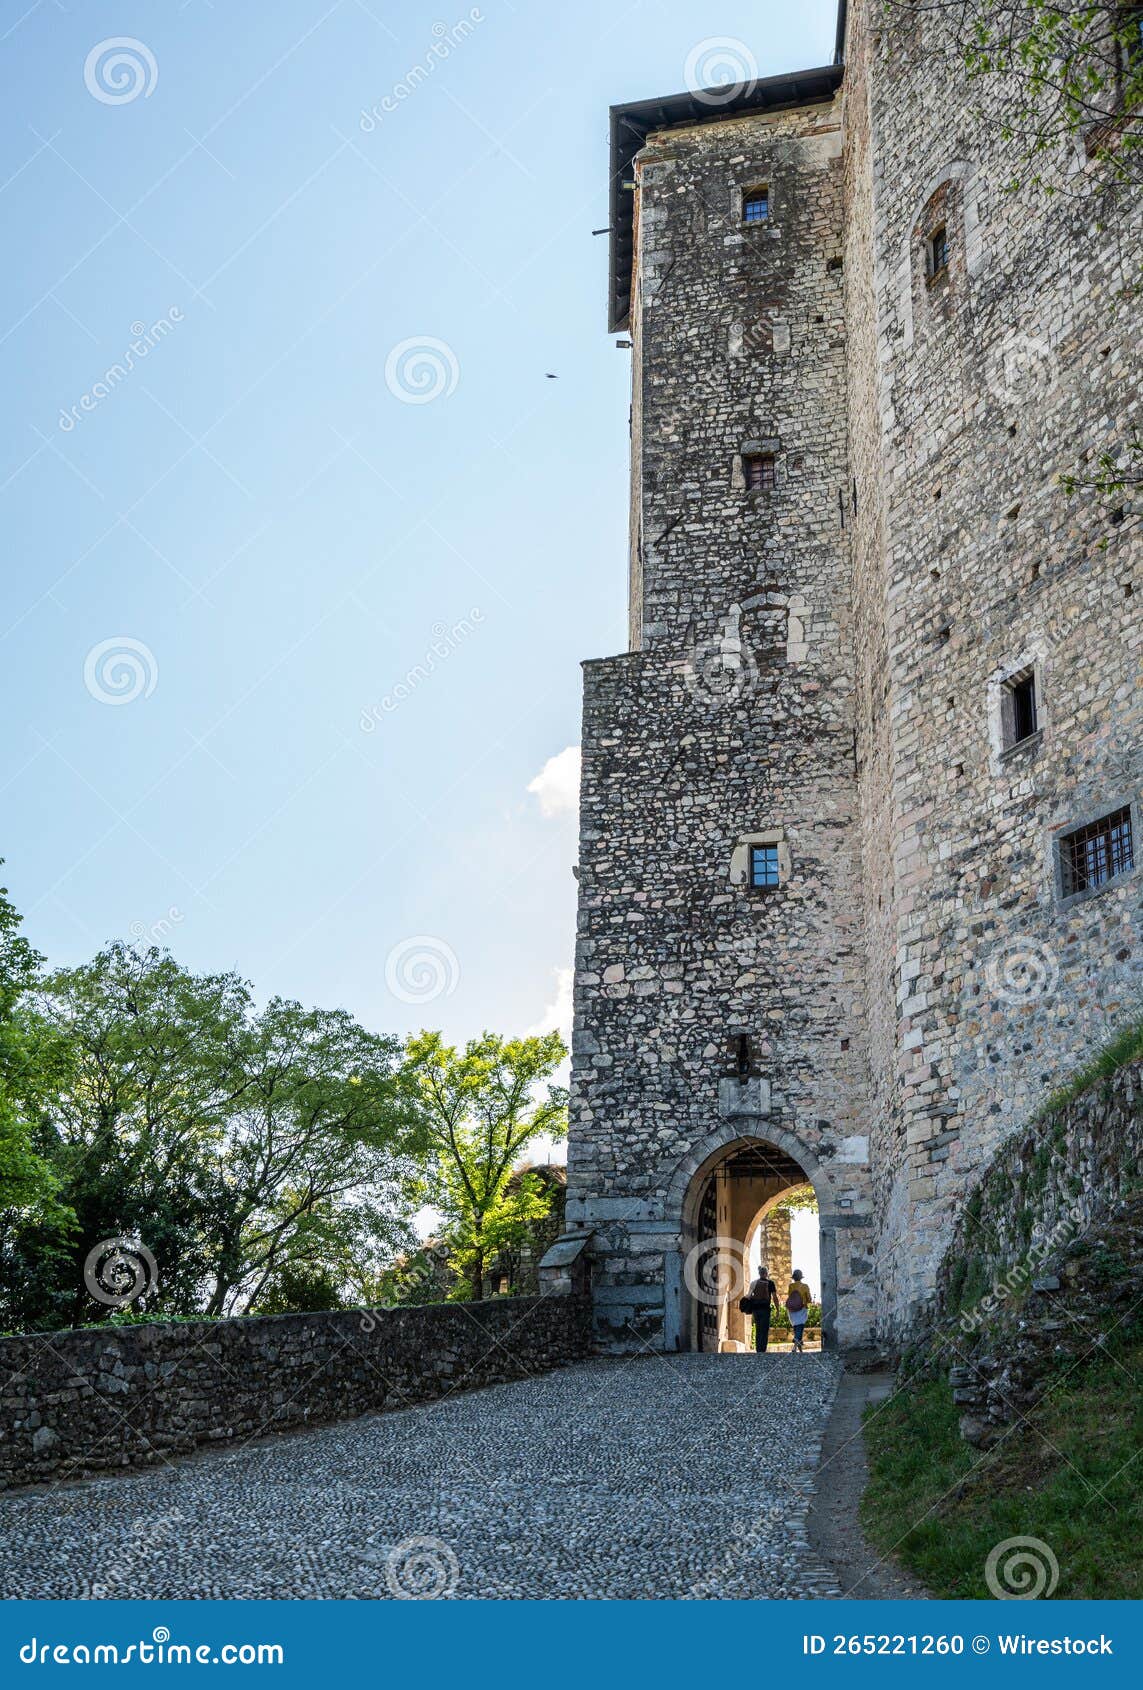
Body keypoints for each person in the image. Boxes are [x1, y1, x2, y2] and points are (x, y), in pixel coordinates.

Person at [748, 1265, 780, 1353]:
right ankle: (763, 1349)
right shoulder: (770, 1283)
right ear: (766, 1274)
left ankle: (758, 1349)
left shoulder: (754, 1283)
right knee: (764, 1330)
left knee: (758, 1329)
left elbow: (749, 1296)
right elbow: (774, 1297)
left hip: (756, 1309)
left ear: (759, 1273)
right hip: (765, 1309)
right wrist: (778, 1310)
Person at [785, 1269, 813, 1352]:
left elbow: (790, 1296)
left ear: (793, 1278)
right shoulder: (805, 1286)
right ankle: (795, 1346)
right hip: (801, 1308)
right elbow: (809, 1299)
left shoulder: (791, 1286)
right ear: (801, 1277)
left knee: (796, 1327)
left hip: (792, 1309)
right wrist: (807, 1301)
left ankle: (799, 1348)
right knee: (800, 1327)